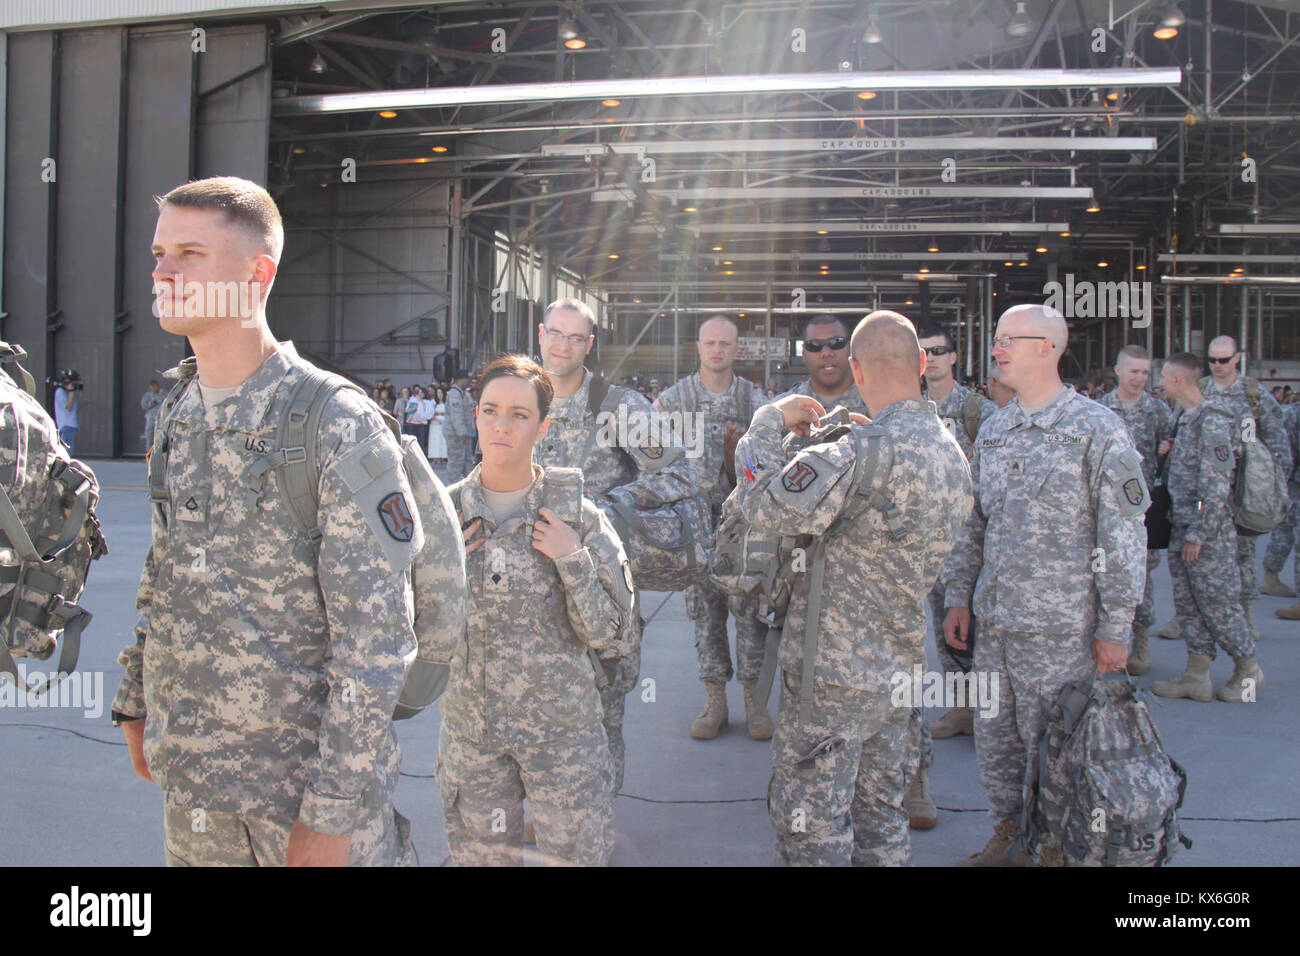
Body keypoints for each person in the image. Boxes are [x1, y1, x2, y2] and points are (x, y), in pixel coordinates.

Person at [113, 176, 439, 867]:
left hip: (301, 799)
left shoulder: (333, 422)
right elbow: (164, 569)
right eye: (159, 252)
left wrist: (331, 814)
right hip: (198, 786)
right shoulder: (181, 411)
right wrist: (135, 697)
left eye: (190, 253)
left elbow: (377, 642)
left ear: (256, 274)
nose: (162, 271)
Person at [735, 311, 972, 866]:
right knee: (882, 816)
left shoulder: (859, 453)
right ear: (920, 364)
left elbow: (761, 502)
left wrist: (765, 423)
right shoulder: (951, 452)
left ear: (857, 369)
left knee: (812, 826)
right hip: (899, 672)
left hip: (832, 679)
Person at [941, 304, 1148, 868]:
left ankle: (1055, 849)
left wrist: (1115, 626)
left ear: (1047, 348)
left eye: (1011, 339)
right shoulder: (998, 429)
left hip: (1063, 632)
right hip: (996, 624)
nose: (998, 349)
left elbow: (1123, 536)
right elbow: (973, 522)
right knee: (997, 743)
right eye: (997, 338)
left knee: (1057, 749)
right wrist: (959, 594)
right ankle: (1008, 833)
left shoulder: (1097, 429)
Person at [437, 355, 633, 866]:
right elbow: (414, 635)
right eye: (490, 410)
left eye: (520, 415)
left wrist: (573, 560)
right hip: (472, 735)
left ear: (543, 425)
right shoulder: (441, 516)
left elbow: (613, 637)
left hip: (562, 735)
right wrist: (444, 568)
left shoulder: (577, 517)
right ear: (474, 416)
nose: (502, 425)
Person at [532, 297, 700, 796]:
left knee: (601, 709)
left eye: (575, 338)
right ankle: (544, 813)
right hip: (527, 585)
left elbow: (678, 472)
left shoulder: (618, 407)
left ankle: (594, 822)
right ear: (540, 335)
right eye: (555, 334)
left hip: (599, 584)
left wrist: (607, 506)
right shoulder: (521, 395)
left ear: (589, 344)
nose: (563, 346)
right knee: (530, 707)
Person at [655, 316, 769, 740]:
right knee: (705, 616)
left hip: (742, 529)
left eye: (725, 343)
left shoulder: (755, 403)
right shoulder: (673, 400)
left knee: (749, 613)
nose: (717, 350)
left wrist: (734, 458)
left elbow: (767, 470)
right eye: (710, 343)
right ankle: (714, 701)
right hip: (695, 529)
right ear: (698, 347)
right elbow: (653, 465)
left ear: (737, 349)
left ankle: (754, 703)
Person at [903, 326, 995, 830]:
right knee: (942, 630)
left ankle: (983, 707)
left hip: (968, 541)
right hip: (923, 543)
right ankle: (961, 706)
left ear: (954, 357)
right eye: (924, 353)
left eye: (939, 352)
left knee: (973, 629)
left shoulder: (977, 411)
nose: (932, 360)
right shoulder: (910, 409)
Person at [1159, 336, 1293, 641]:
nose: (1218, 366)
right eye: (1212, 360)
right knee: (1187, 561)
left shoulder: (1254, 395)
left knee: (1242, 559)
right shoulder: (1198, 391)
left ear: (1237, 358)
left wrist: (1271, 493)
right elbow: (1176, 433)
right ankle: (1185, 619)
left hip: (1238, 494)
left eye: (1224, 360)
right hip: (1202, 494)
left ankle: (1243, 618)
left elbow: (1277, 445)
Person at [1151, 354, 1262, 703]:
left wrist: (1198, 532)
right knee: (1188, 606)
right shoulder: (1184, 418)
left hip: (1206, 534)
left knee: (1217, 604)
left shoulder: (1212, 421)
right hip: (1181, 526)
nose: (1161, 383)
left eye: (1165, 378)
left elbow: (1215, 486)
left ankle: (1248, 669)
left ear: (1179, 381)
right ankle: (1196, 674)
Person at [1097, 345, 1173, 675]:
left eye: (1145, 372)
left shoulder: (1158, 411)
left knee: (1140, 577)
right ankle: (1102, 641)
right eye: (1134, 371)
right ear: (1118, 371)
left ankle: (1140, 640)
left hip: (1142, 509)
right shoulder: (1100, 410)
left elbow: (1169, 454)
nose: (1140, 378)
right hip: (1104, 508)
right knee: (1101, 575)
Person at [771, 315, 871, 417]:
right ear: (804, 353)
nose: (826, 353)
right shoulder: (779, 411)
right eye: (814, 345)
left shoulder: (878, 405)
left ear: (850, 349)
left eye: (836, 342)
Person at [1271, 401, 1300, 620]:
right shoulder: (1292, 413)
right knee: (1287, 530)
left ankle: (1271, 574)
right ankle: (1271, 575)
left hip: (1291, 481)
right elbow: (1284, 449)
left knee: (1285, 530)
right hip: (1293, 483)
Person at [445, 371, 476, 482]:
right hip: (456, 434)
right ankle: (454, 489)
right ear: (461, 379)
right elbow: (456, 415)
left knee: (466, 461)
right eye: (467, 379)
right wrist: (461, 432)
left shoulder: (461, 393)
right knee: (456, 462)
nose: (468, 381)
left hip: (463, 433)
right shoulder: (454, 393)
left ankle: (467, 485)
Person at [54, 370, 81, 454]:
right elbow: (68, 407)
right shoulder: (60, 392)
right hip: (67, 425)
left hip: (69, 425)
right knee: (66, 452)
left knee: (67, 449)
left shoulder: (65, 392)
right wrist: (71, 392)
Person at [427, 385, 449, 462]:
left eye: (440, 393)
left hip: (443, 423)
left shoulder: (447, 404)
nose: (439, 394)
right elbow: (429, 414)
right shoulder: (433, 403)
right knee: (435, 440)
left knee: (442, 440)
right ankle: (435, 456)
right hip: (434, 424)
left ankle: (442, 456)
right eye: (437, 393)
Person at [141, 380, 164, 444]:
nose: (155, 388)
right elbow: (143, 405)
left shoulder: (163, 393)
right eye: (153, 386)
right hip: (151, 418)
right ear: (150, 387)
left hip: (161, 418)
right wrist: (150, 405)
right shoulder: (148, 395)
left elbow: (169, 402)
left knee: (161, 435)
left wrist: (162, 395)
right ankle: (148, 452)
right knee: (149, 435)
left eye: (156, 386)